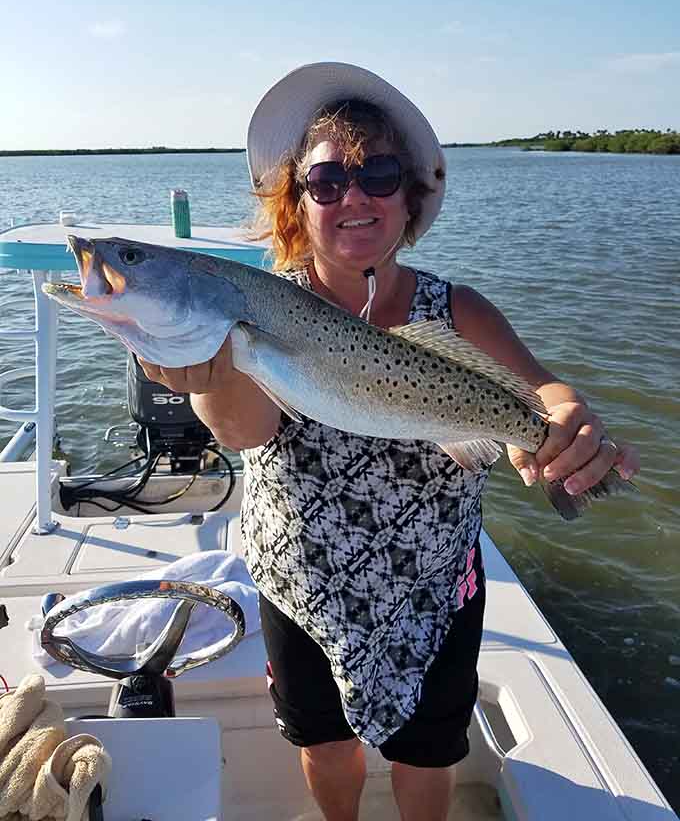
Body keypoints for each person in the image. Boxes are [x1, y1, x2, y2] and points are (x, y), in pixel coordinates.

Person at [139, 62, 640, 821]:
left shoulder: (458, 308)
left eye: (378, 172)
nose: (355, 196)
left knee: (428, 751)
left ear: (412, 197)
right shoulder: (265, 306)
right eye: (327, 181)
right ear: (296, 205)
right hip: (302, 580)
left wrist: (569, 425)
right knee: (326, 745)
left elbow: (540, 392)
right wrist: (204, 370)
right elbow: (247, 431)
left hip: (435, 582)